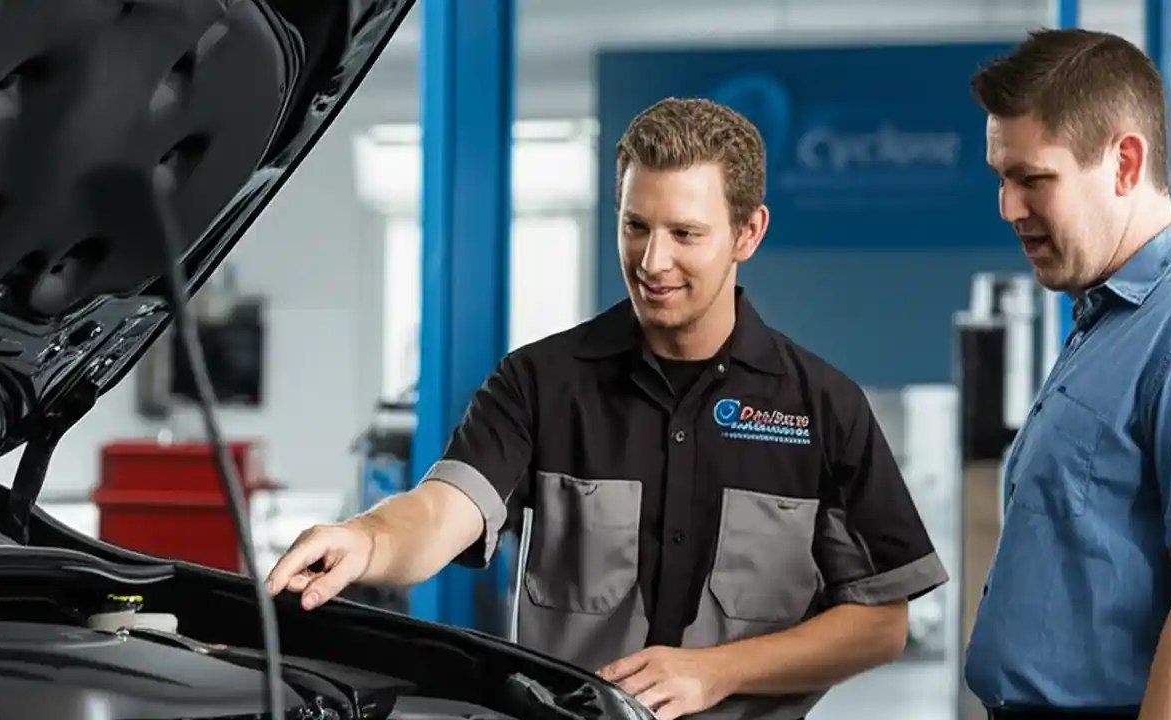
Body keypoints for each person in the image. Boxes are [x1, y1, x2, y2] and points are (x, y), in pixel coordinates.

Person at [267, 97, 948, 720]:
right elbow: (446, 509)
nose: (653, 261)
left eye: (685, 233)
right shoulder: (541, 382)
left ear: (748, 233)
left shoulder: (823, 408)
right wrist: (369, 538)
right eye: (636, 226)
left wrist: (718, 672)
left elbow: (879, 620)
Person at [963, 28, 1171, 720]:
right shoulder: (1108, 318)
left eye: (1033, 180)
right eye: (1002, 178)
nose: (1008, 209)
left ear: (1124, 163)